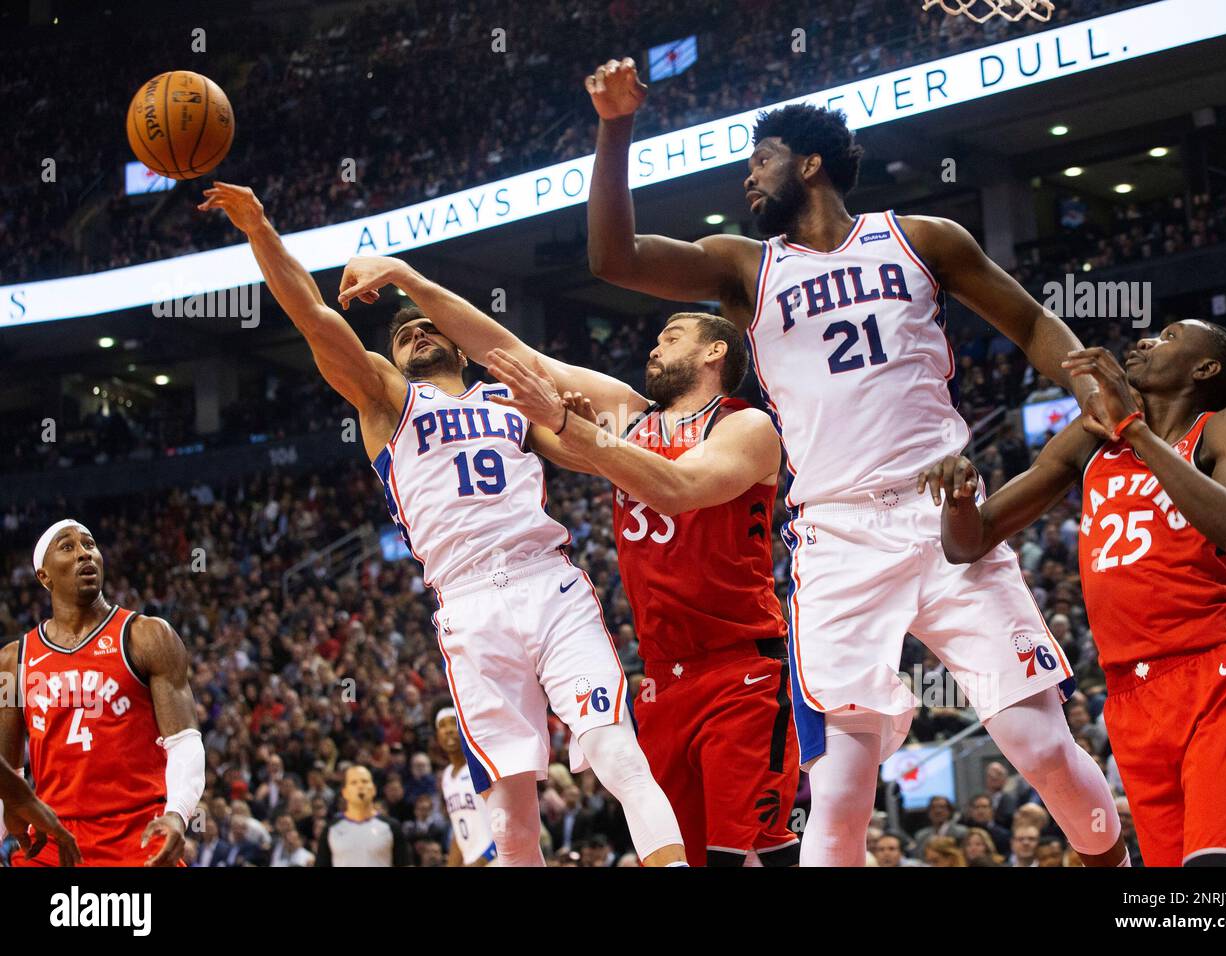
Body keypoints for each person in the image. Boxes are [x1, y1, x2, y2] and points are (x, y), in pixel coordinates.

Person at [582, 57, 1122, 867]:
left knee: (1037, 746)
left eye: (759, 161)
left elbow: (1033, 319)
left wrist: (1085, 374)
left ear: (810, 163)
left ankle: (1116, 867)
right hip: (833, 535)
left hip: (945, 518)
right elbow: (614, 260)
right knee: (836, 792)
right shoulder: (745, 266)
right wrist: (615, 127)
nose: (746, 180)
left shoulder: (923, 239)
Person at [200, 183, 684, 867]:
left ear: (457, 342)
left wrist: (556, 413)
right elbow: (312, 314)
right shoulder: (383, 398)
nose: (415, 334)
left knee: (614, 750)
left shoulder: (510, 397)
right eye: (401, 335)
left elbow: (603, 458)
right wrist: (259, 228)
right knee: (509, 815)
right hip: (467, 604)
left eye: (425, 326)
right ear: (392, 358)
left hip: (549, 584)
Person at [335, 260, 799, 867]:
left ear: (715, 351)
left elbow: (677, 487)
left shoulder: (747, 426)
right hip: (664, 672)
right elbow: (506, 349)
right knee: (679, 846)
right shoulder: (630, 417)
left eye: (672, 337)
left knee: (743, 851)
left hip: (741, 664)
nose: (654, 345)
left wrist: (568, 426)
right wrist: (410, 279)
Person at [936, 321, 1226, 866]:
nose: (1146, 341)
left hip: (1215, 673)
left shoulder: (1223, 424)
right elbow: (970, 542)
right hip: (1130, 695)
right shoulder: (1090, 438)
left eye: (1169, 336)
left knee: (1219, 873)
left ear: (1206, 368)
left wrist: (1137, 431)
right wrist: (958, 499)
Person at [1, 520, 203, 866]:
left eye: (90, 545)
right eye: (68, 547)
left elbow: (184, 740)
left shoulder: (147, 636)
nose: (84, 553)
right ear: (44, 576)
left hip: (139, 833)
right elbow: (7, 773)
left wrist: (178, 813)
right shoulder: (12, 662)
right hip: (53, 839)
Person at [436, 707, 498, 866]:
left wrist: (484, 859)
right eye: (442, 725)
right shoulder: (446, 777)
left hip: (497, 859)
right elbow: (460, 827)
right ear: (437, 737)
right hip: (471, 860)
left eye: (453, 723)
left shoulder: (481, 765)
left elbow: (505, 817)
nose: (448, 730)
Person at [316, 765, 410, 867]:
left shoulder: (391, 827)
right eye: (354, 782)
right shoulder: (331, 829)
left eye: (364, 781)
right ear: (345, 792)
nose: (360, 786)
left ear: (373, 789)